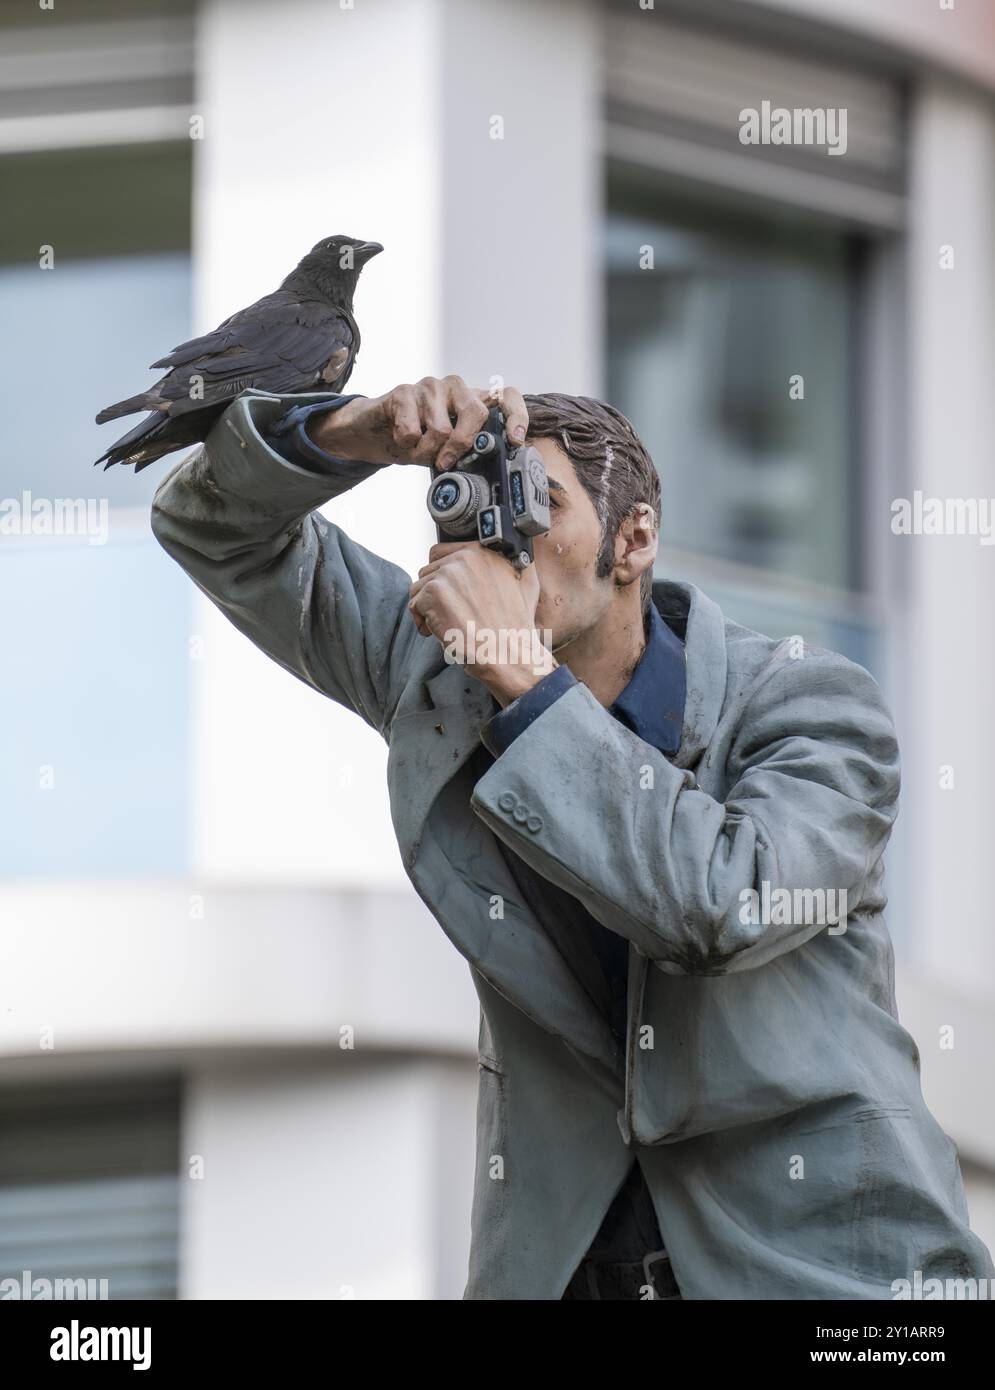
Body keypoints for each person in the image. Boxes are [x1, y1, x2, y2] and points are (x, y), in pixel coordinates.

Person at [150, 375, 994, 1300]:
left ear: (631, 540)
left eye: (534, 503)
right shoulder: (434, 677)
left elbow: (723, 905)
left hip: (826, 1275)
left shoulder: (809, 707)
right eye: (472, 502)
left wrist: (525, 679)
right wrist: (350, 436)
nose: (494, 541)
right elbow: (210, 530)